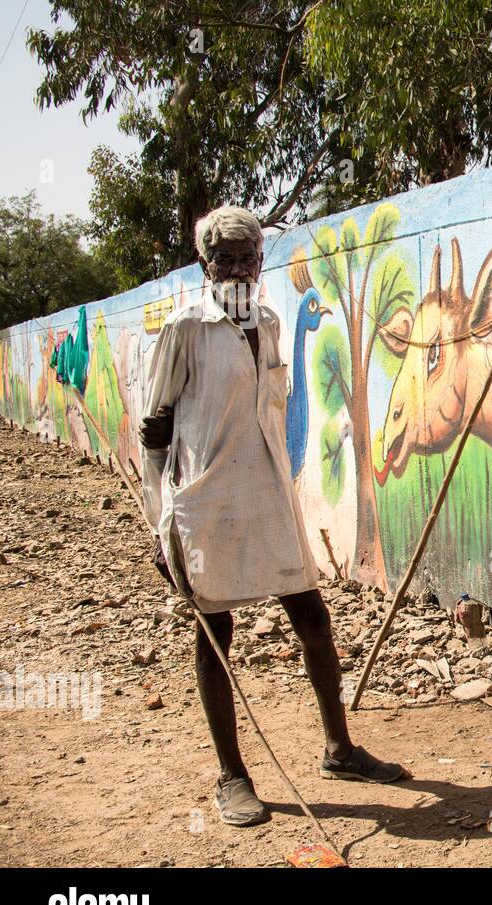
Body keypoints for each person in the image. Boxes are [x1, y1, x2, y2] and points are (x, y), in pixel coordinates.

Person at [138, 205, 405, 827]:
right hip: (205, 503)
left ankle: (339, 748)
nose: (237, 268)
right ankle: (231, 775)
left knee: (312, 616)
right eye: (223, 258)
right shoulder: (184, 329)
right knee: (215, 633)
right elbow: (155, 430)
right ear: (207, 265)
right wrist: (160, 522)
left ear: (262, 262)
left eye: (247, 257)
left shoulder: (271, 321)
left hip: (267, 495)